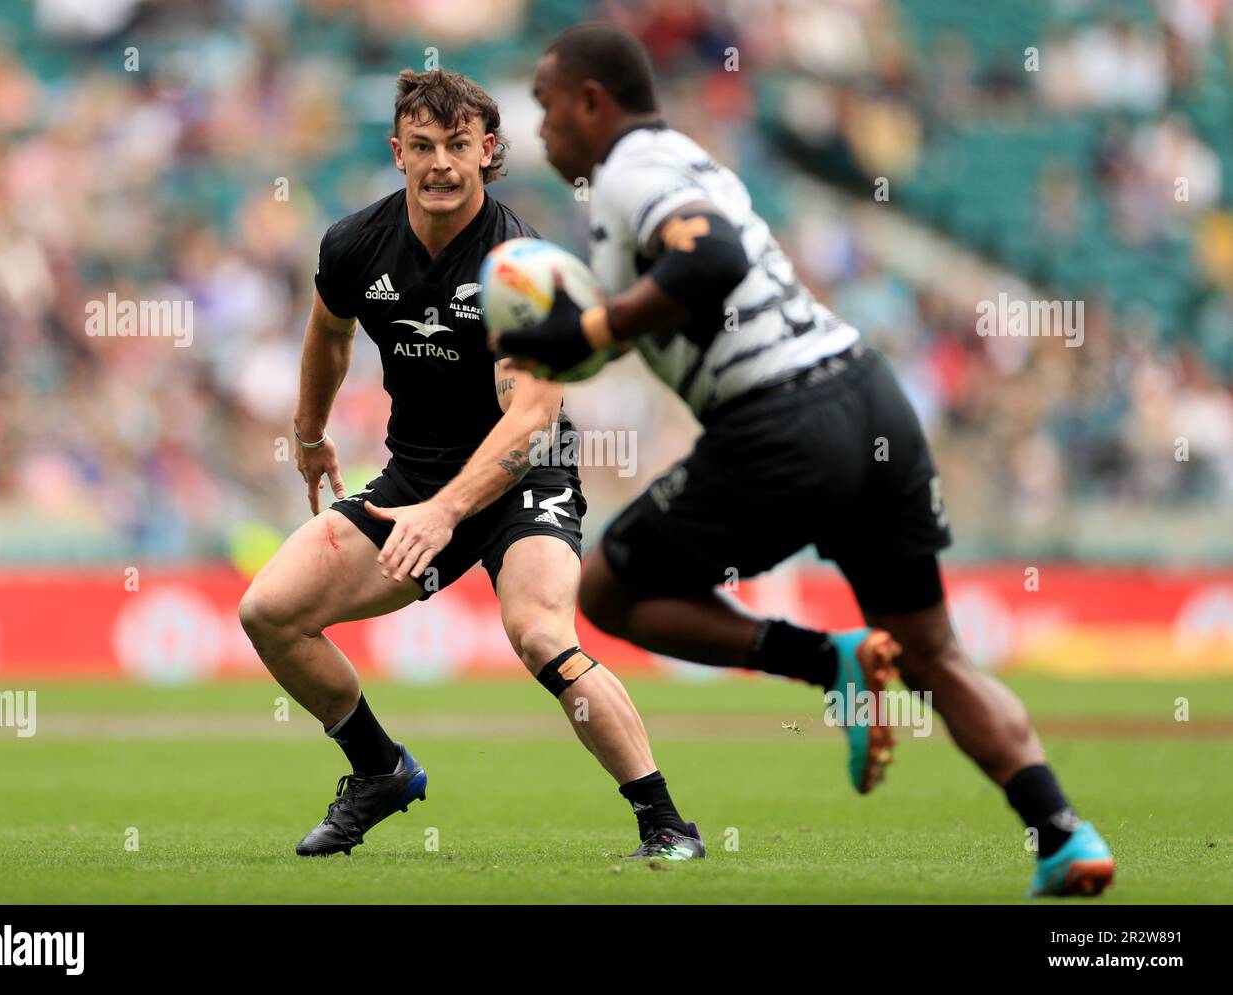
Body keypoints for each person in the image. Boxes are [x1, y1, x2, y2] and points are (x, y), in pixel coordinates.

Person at [497, 23, 1115, 897]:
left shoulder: (632, 168)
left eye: (547, 107)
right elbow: (690, 289)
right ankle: (1063, 832)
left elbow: (709, 259)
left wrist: (591, 328)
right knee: (935, 652)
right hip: (868, 394)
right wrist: (578, 340)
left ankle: (831, 660)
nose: (543, 127)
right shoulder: (684, 164)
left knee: (608, 591)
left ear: (592, 102)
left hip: (783, 418)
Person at [240, 67, 703, 861]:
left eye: (458, 145)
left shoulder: (520, 266)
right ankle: (379, 770)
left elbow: (530, 421)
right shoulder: (354, 243)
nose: (441, 164)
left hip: (525, 479)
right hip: (414, 482)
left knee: (538, 631)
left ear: (488, 151)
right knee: (269, 611)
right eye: (422, 146)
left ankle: (665, 822)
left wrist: (447, 512)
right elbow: (329, 331)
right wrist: (310, 432)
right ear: (397, 152)